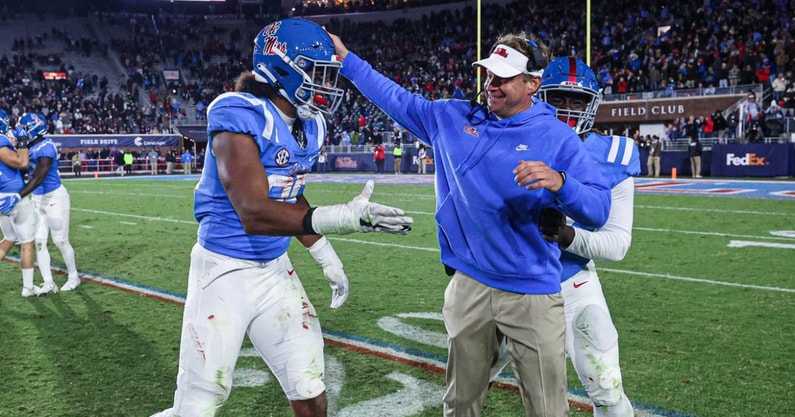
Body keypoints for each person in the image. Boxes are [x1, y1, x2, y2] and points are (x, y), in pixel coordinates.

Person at [328, 30, 610, 417]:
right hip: (469, 286)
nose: (491, 85)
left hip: (531, 291)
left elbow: (598, 208)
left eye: (503, 78)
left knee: (548, 409)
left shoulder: (557, 137)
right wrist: (347, 60)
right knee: (460, 404)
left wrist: (562, 183)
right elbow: (394, 98)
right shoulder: (451, 116)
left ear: (532, 83)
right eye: (488, 75)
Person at [147, 18, 412, 417]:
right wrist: (342, 218)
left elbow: (289, 191)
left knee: (309, 386)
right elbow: (253, 210)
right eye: (317, 72)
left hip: (274, 270)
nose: (326, 84)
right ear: (283, 66)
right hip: (224, 271)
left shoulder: (309, 125)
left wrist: (325, 255)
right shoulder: (239, 112)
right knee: (199, 404)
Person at [489, 56, 639, 417]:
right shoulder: (506, 136)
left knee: (607, 388)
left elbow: (617, 245)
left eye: (578, 101)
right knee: (468, 383)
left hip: (571, 282)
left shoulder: (614, 156)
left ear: (593, 104)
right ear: (540, 95)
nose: (569, 110)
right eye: (559, 99)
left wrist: (568, 236)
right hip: (507, 282)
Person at [0, 112, 80, 293]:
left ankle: (73, 276)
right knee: (39, 242)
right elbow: (18, 170)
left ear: (32, 128)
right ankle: (48, 282)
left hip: (53, 199)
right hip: (37, 199)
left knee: (60, 240)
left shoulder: (46, 146)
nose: (18, 129)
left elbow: (38, 177)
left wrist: (18, 196)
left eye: (22, 126)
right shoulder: (26, 147)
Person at [0, 110, 38, 297]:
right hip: (12, 196)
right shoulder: (1, 140)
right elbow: (21, 162)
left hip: (1, 195)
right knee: (27, 242)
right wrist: (22, 142)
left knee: (9, 238)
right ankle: (28, 288)